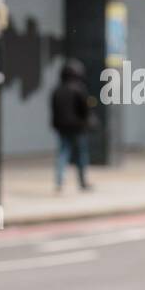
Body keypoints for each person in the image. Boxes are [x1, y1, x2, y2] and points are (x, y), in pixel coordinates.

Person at [50, 60, 93, 193]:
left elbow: (54, 110)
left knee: (63, 153)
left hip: (62, 127)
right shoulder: (79, 89)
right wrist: (86, 121)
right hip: (78, 127)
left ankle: (59, 181)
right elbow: (85, 109)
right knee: (81, 155)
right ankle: (82, 182)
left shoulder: (57, 90)